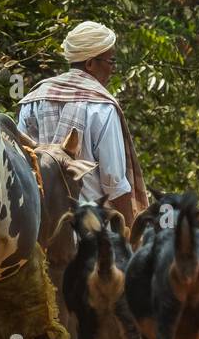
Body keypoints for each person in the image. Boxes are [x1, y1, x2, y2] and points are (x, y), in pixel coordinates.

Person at [16, 21, 148, 228]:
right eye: (111, 62)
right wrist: (130, 232)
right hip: (90, 230)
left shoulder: (33, 99)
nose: (113, 69)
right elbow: (113, 181)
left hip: (40, 227)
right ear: (90, 63)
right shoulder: (101, 107)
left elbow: (22, 163)